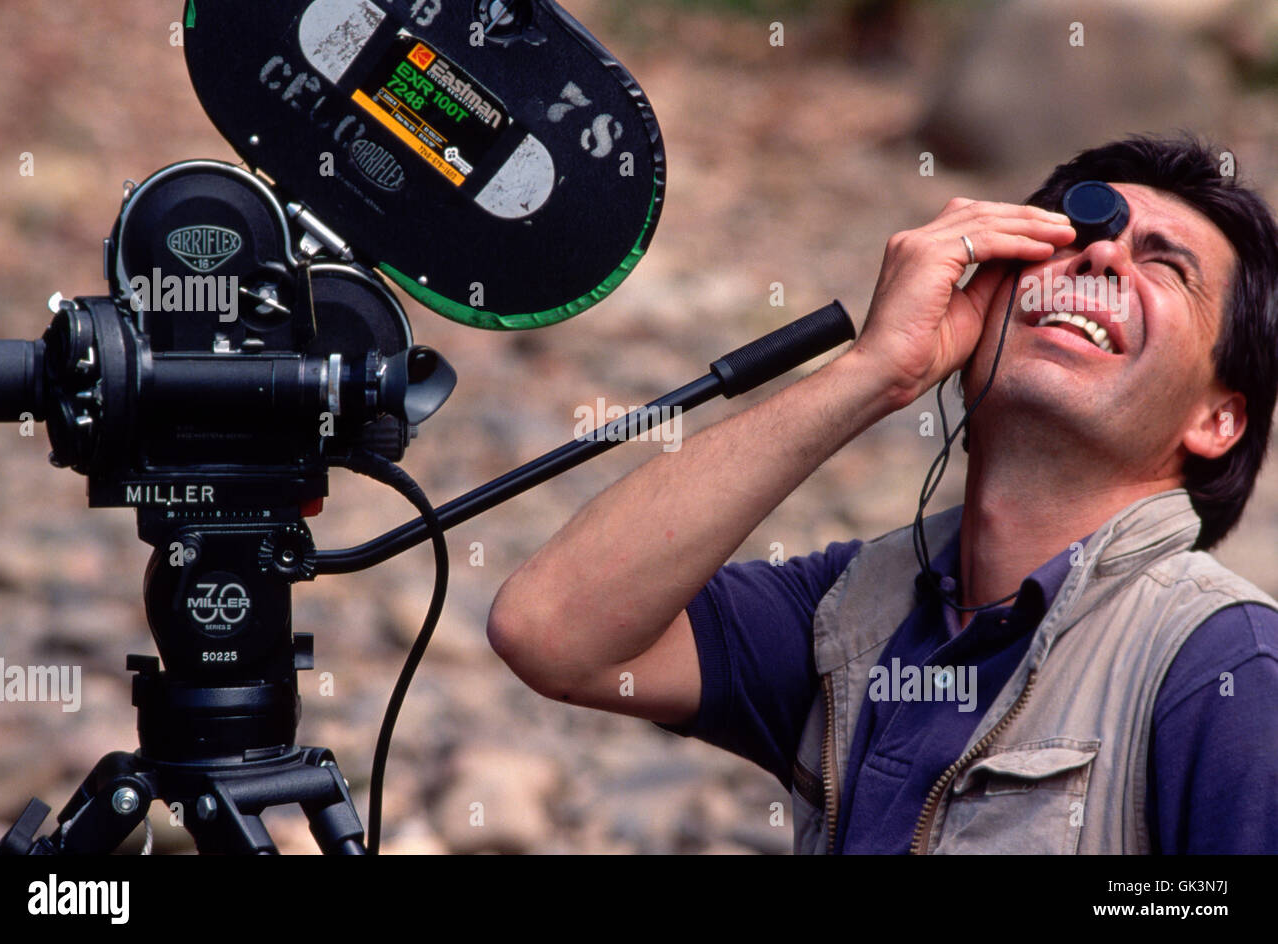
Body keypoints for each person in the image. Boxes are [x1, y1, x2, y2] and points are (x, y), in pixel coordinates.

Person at [485, 134, 1278, 853]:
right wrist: (872, 373)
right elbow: (552, 632)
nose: (1101, 263)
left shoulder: (1221, 666)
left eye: (1165, 267)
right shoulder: (851, 615)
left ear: (1219, 418)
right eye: (1076, 236)